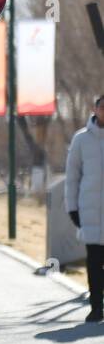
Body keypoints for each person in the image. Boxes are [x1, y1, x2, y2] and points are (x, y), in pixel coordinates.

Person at [65, 94, 104, 323]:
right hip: (89, 210)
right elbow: (72, 176)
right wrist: (72, 208)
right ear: (95, 109)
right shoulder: (81, 139)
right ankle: (96, 307)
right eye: (102, 107)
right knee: (93, 262)